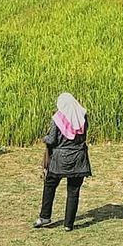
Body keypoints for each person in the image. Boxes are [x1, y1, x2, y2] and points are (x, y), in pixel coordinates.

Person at [34, 93, 91, 231]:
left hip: (59, 160)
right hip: (79, 158)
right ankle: (68, 224)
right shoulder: (83, 117)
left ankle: (45, 216)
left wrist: (44, 138)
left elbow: (52, 139)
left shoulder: (57, 119)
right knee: (73, 190)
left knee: (50, 185)